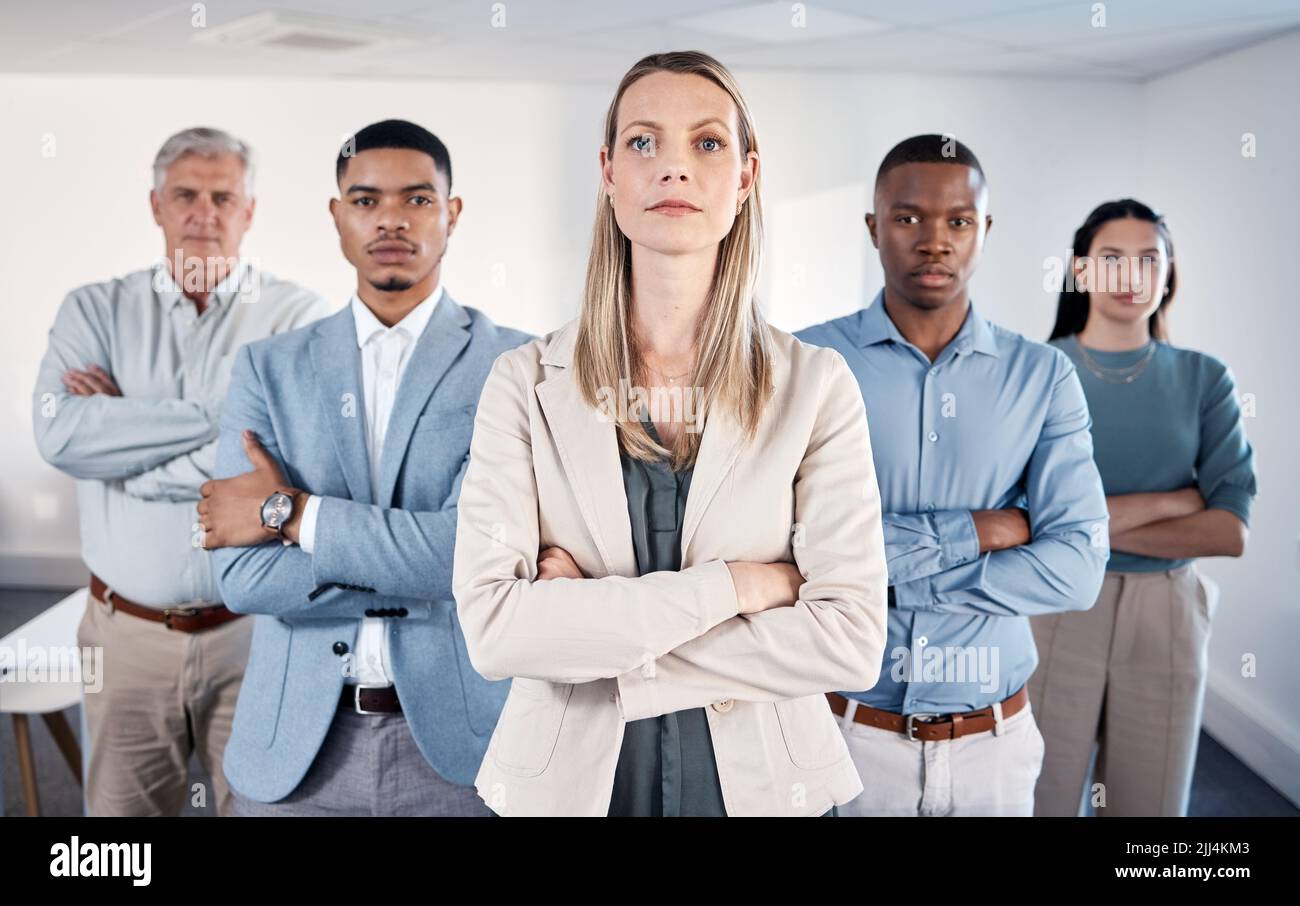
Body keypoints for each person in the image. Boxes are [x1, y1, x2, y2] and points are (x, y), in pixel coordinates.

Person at [452, 51, 889, 818]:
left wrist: (595, 627)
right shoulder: (522, 383)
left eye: (708, 143)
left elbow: (849, 640)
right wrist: (743, 587)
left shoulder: (817, 387)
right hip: (570, 786)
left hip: (762, 786)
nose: (674, 169)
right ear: (608, 172)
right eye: (644, 143)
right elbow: (495, 633)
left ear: (747, 176)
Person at [198, 119, 533, 816]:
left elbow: (470, 558)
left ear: (452, 214)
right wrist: (424, 573)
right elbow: (242, 577)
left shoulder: (516, 366)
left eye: (416, 200)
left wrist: (292, 514)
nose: (391, 220)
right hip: (295, 751)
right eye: (365, 200)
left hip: (462, 746)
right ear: (337, 215)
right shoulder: (270, 368)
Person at [795, 134, 1110, 816]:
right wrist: (979, 530)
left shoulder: (1043, 376)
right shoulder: (806, 363)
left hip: (993, 748)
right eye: (908, 218)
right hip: (842, 736)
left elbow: (1077, 568)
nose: (934, 241)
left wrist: (881, 572)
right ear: (874, 228)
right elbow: (784, 547)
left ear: (984, 230)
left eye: (958, 221)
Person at [32, 126, 329, 816]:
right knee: (122, 833)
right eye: (186, 194)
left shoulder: (296, 315)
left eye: (223, 196)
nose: (204, 211)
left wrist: (127, 439)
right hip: (125, 636)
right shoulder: (93, 309)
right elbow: (60, 434)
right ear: (156, 205)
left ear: (248, 211)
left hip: (254, 634)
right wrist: (222, 419)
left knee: (264, 807)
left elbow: (296, 460)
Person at [1029, 199, 1256, 817]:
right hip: (1058, 606)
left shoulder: (1206, 379)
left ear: (1169, 273)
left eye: (1148, 259)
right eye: (1111, 259)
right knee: (1040, 797)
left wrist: (1083, 523)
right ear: (1080, 271)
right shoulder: (1036, 371)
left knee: (1149, 814)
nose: (1131, 276)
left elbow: (1229, 531)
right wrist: (1171, 501)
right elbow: (1024, 523)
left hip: (1167, 615)